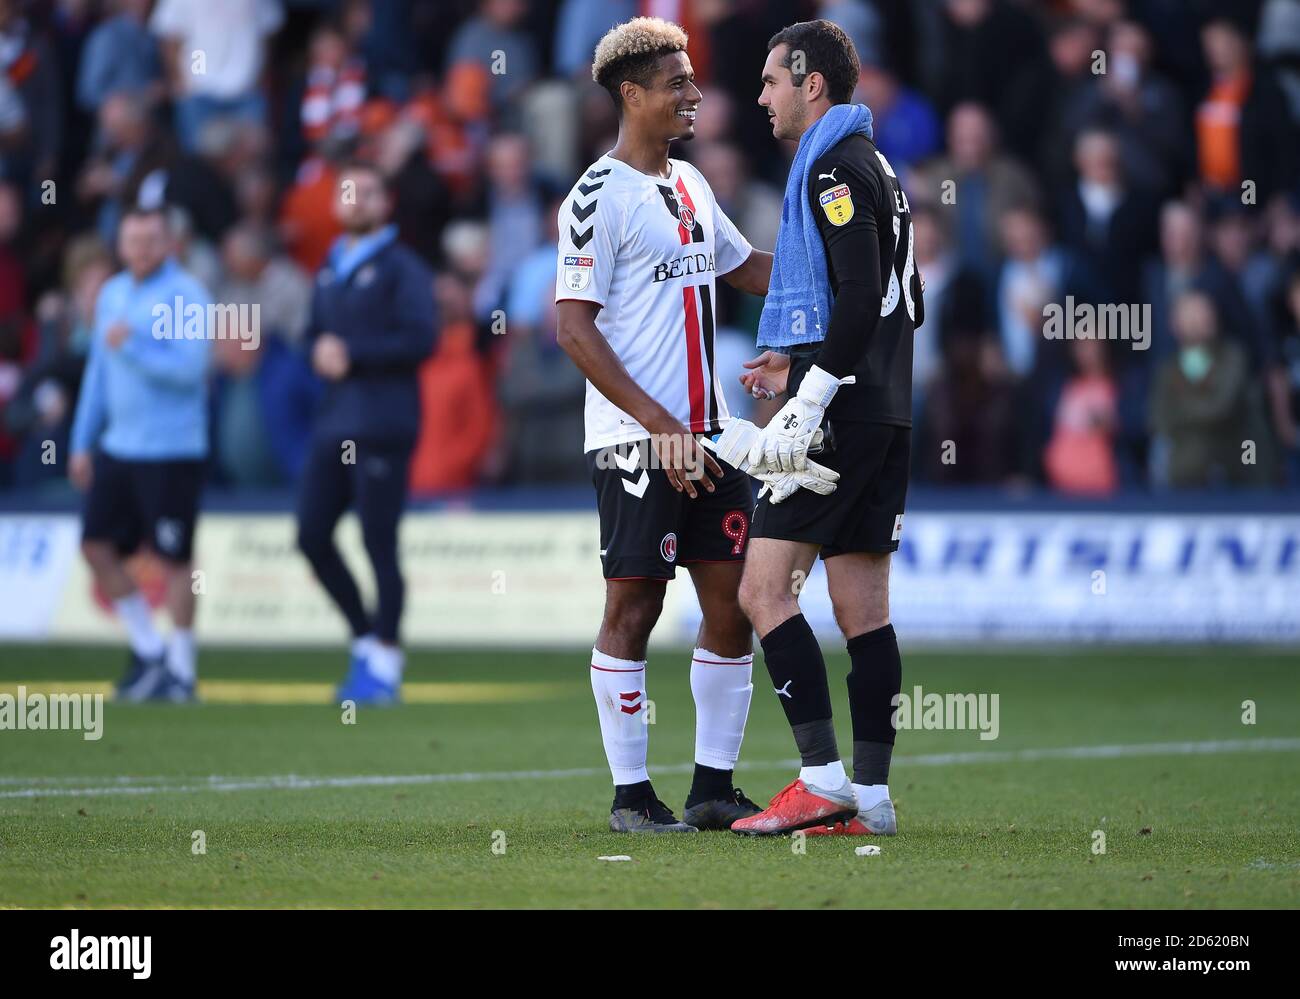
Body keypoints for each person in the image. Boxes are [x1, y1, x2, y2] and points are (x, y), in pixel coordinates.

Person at [554, 17, 774, 833]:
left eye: (693, 79)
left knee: (736, 598)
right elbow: (574, 327)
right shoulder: (594, 197)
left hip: (711, 435)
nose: (694, 93)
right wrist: (656, 424)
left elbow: (745, 267)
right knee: (636, 602)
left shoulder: (690, 184)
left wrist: (841, 268)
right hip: (633, 438)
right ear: (632, 93)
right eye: (678, 82)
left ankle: (713, 786)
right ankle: (630, 793)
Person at [726, 19, 923, 837]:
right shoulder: (878, 165)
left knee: (762, 590)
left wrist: (808, 395)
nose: (762, 95)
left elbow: (857, 289)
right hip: (889, 406)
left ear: (811, 82)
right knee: (862, 607)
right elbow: (894, 301)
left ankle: (819, 778)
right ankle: (870, 799)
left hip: (839, 417)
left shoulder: (833, 168)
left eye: (772, 80)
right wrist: (798, 359)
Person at [296, 162, 436, 705]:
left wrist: (351, 355)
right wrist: (318, 350)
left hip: (382, 423)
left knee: (379, 542)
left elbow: (421, 338)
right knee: (311, 536)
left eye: (366, 192)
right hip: (334, 422)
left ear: (386, 201)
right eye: (346, 193)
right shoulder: (329, 266)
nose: (354, 201)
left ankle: (386, 659)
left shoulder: (403, 268)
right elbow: (311, 334)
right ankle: (363, 639)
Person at [67, 206, 212, 702]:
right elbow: (97, 375)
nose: (142, 250)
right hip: (119, 447)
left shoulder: (187, 295)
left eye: (151, 240)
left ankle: (184, 669)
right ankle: (150, 651)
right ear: (121, 245)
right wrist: (81, 440)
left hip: (171, 450)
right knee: (95, 546)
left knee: (176, 561)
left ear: (169, 243)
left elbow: (191, 372)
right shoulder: (113, 293)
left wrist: (134, 349)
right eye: (133, 241)